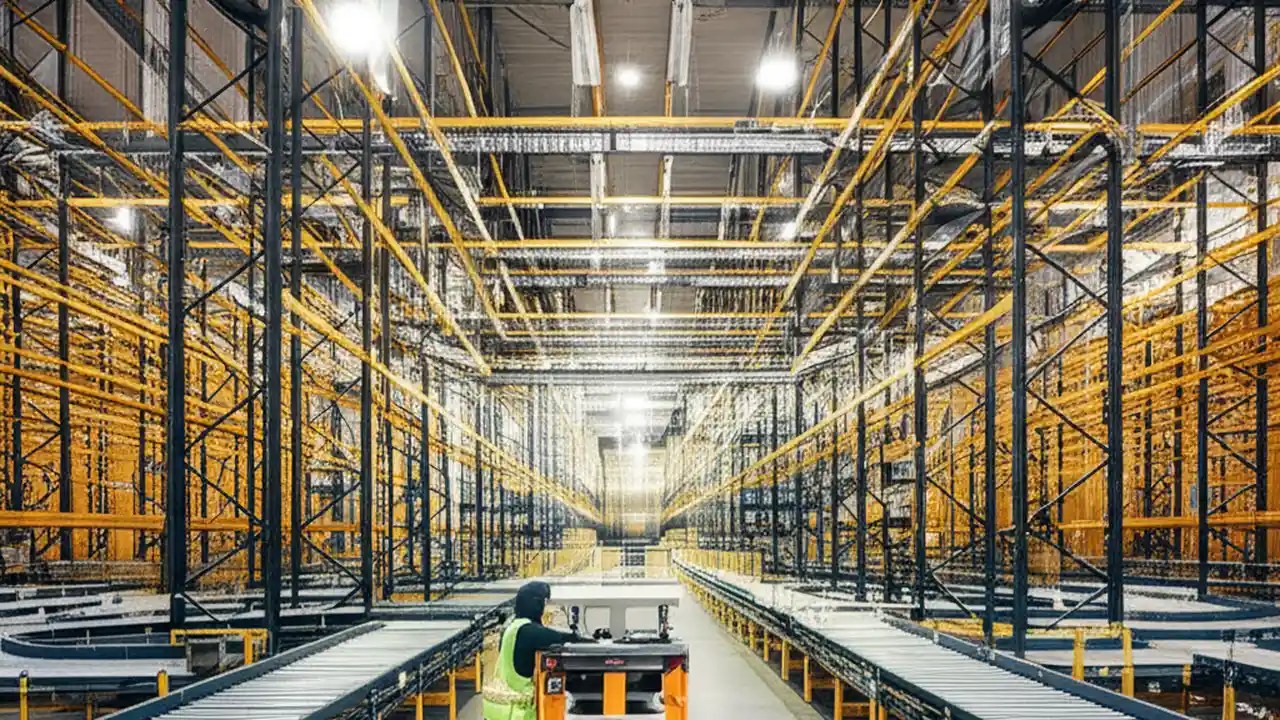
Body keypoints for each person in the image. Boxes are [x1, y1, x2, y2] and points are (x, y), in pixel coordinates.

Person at [482, 581, 589, 720]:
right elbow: (562, 639)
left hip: (499, 712)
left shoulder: (512, 628)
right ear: (537, 604)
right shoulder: (529, 632)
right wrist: (594, 642)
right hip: (517, 714)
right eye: (544, 603)